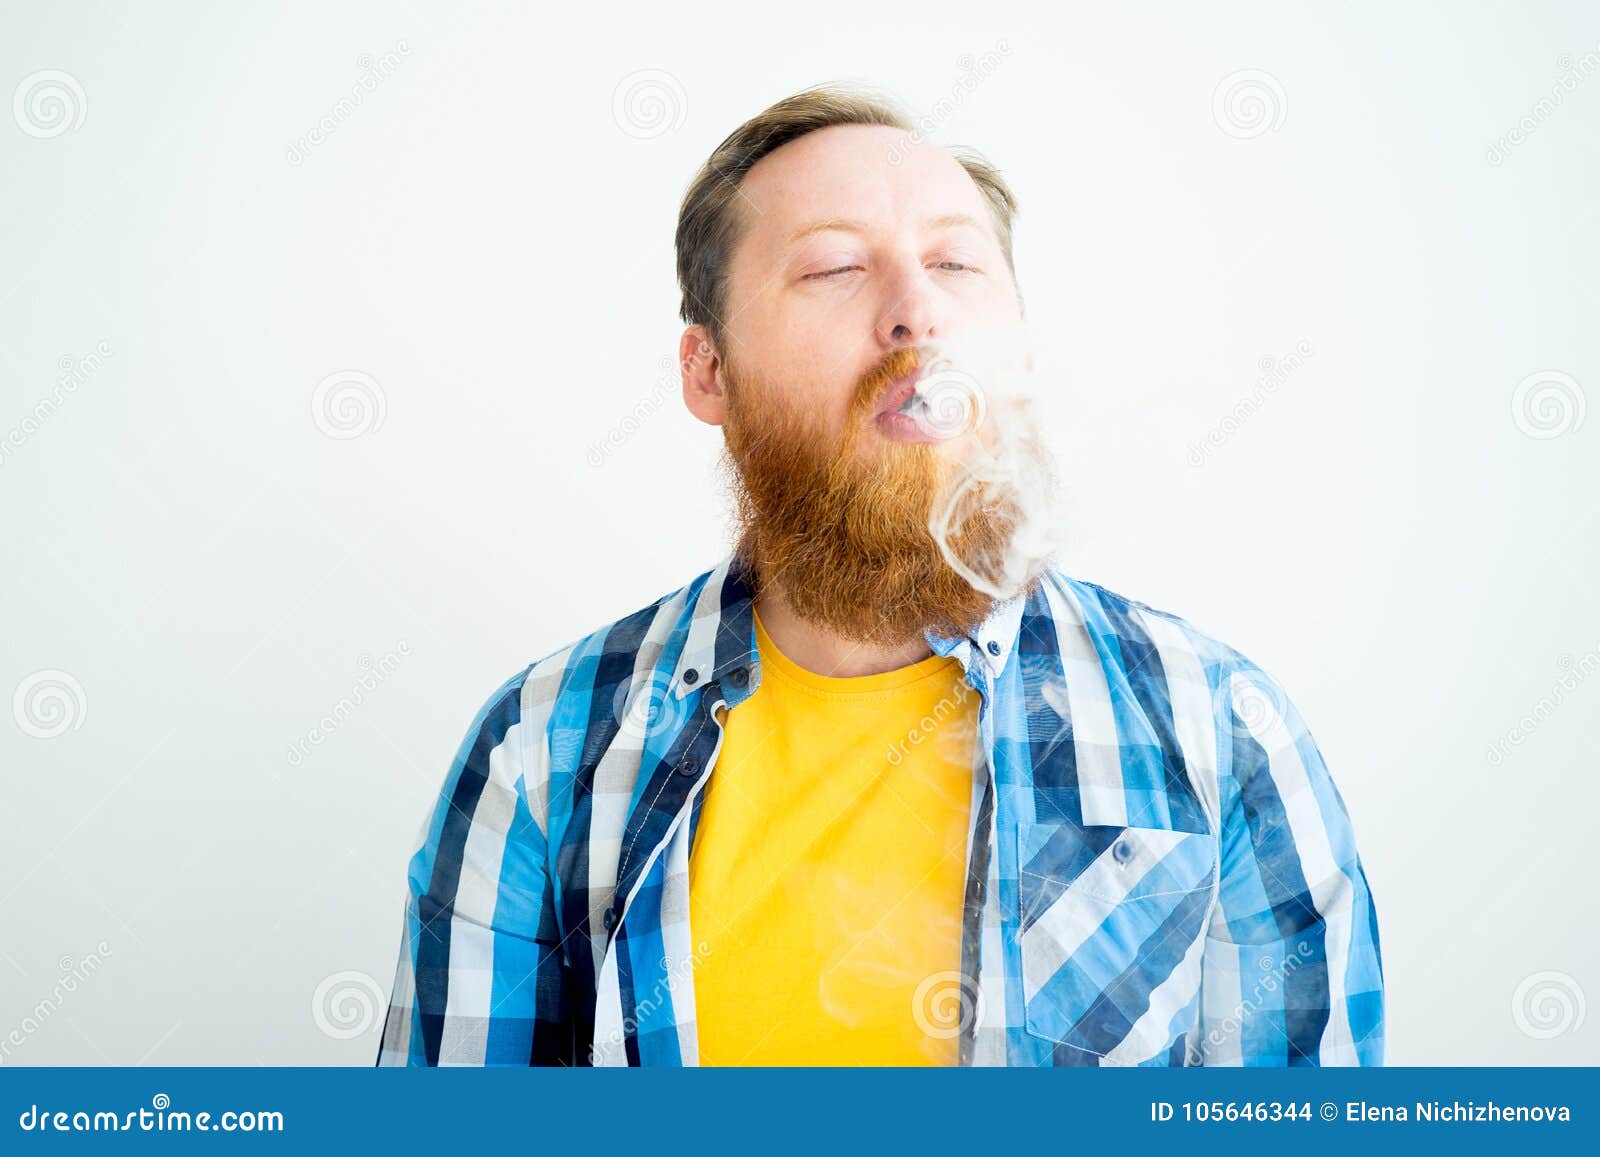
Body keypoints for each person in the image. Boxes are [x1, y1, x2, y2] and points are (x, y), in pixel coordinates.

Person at [375, 83, 1383, 1067]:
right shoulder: (545, 750)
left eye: (955, 262)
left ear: (1019, 344)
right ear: (707, 372)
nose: (917, 311)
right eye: (832, 269)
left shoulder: (1221, 729)